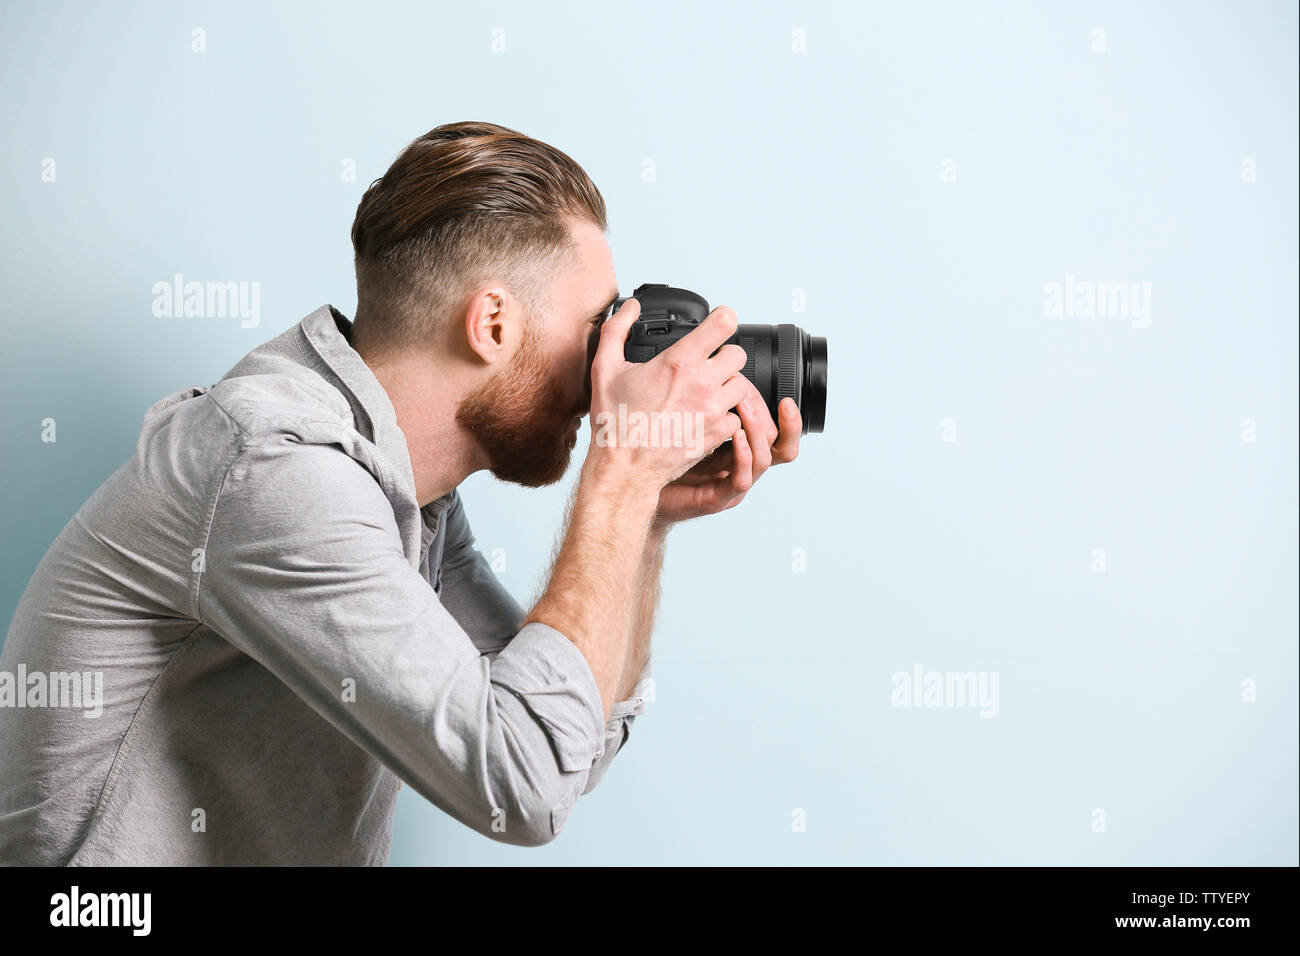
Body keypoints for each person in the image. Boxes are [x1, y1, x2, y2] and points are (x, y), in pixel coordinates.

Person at [0, 121, 801, 865]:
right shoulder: (277, 470)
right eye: (599, 331)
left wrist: (648, 519)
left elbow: (567, 746)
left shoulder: (408, 502)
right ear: (492, 324)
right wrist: (620, 477)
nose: (607, 374)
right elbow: (521, 786)